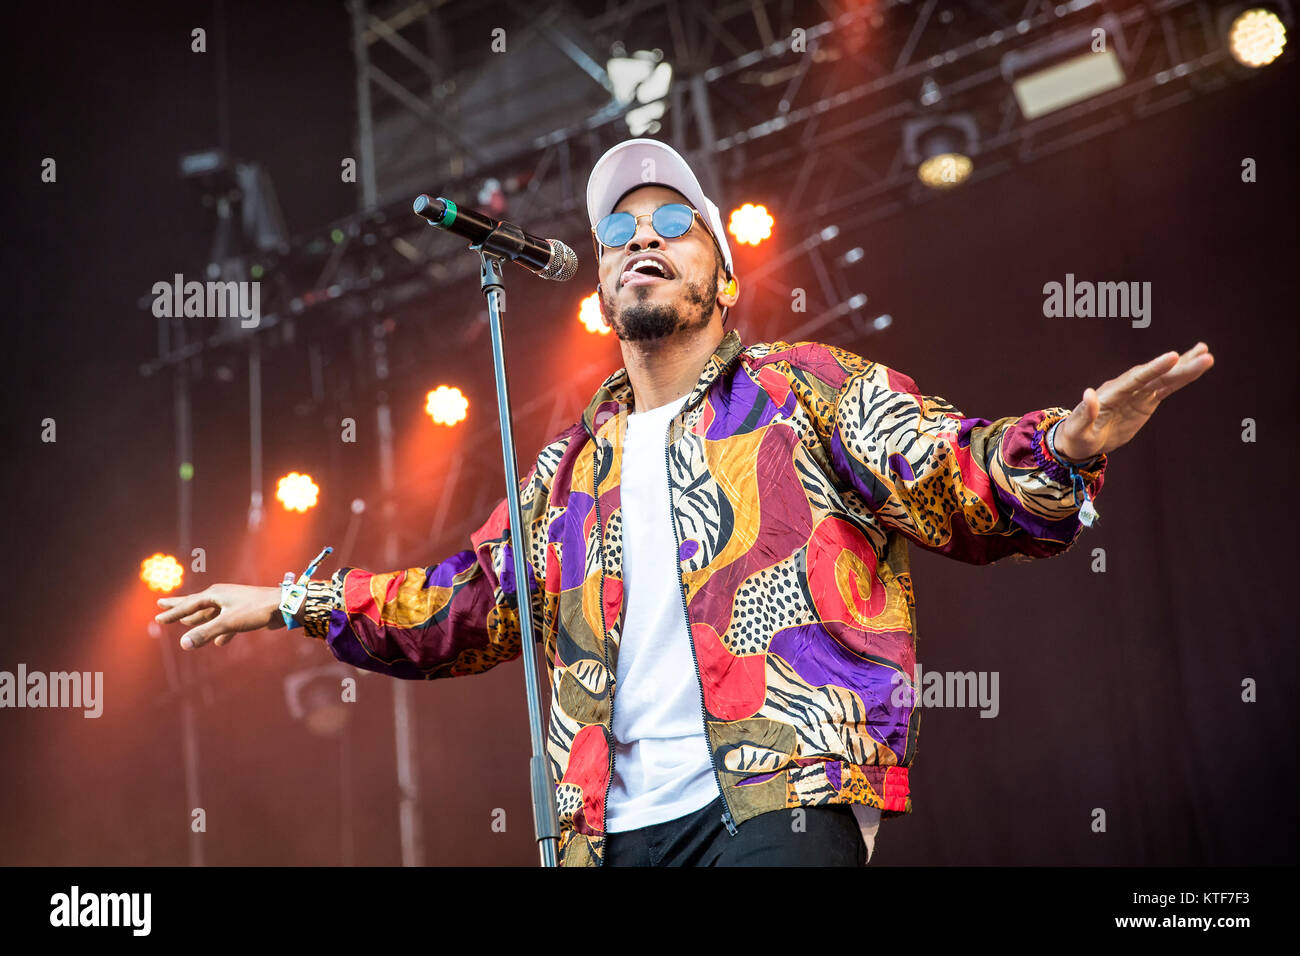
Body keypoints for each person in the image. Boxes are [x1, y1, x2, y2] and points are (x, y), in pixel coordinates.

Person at [156, 138, 1215, 867]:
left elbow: (946, 467)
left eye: (674, 222)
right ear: (600, 285)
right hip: (608, 831)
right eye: (619, 231)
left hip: (781, 793)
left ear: (724, 275)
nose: (642, 238)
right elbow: (462, 603)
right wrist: (290, 599)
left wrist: (1063, 444)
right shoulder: (567, 471)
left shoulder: (803, 388)